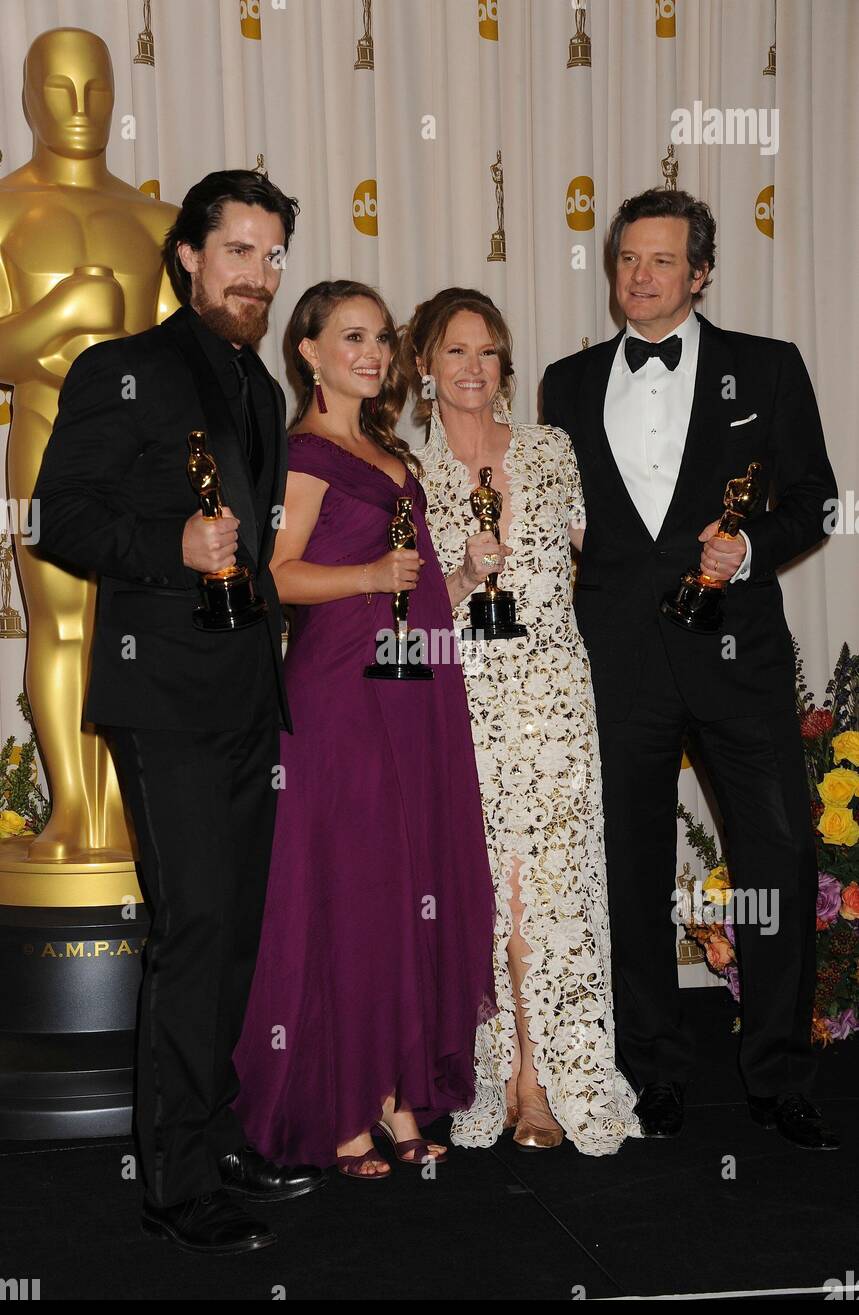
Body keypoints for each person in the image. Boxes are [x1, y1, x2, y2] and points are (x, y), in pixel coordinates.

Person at [34, 170, 326, 1255]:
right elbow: (61, 515)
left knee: (233, 935)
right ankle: (175, 1180)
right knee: (195, 929)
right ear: (190, 257)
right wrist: (170, 550)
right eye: (238, 251)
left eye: (270, 255)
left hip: (248, 692)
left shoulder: (257, 387)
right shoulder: (124, 370)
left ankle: (217, 1135)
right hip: (161, 692)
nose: (257, 274)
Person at [542, 188, 840, 1149]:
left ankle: (779, 1076)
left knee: (779, 858)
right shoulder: (566, 381)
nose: (640, 276)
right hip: (618, 656)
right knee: (626, 866)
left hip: (737, 655)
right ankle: (648, 1070)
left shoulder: (767, 367)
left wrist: (747, 551)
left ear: (700, 272)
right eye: (627, 258)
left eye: (662, 261)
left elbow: (814, 501)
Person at [232, 280, 497, 1178]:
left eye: (381, 338)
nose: (374, 353)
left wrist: (456, 577)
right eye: (351, 337)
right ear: (306, 350)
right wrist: (367, 576)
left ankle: (391, 1093)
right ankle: (340, 1109)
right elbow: (272, 575)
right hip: (340, 692)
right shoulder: (303, 452)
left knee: (402, 885)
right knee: (348, 891)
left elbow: (411, 583)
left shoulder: (388, 449)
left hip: (414, 683)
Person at [399, 288, 639, 1154]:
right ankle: (489, 1077)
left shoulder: (548, 451)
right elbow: (399, 615)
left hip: (552, 700)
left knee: (549, 893)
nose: (473, 368)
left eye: (489, 351)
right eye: (455, 351)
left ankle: (541, 1082)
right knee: (482, 892)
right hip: (456, 699)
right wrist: (461, 576)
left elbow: (609, 564)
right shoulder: (405, 474)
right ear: (422, 367)